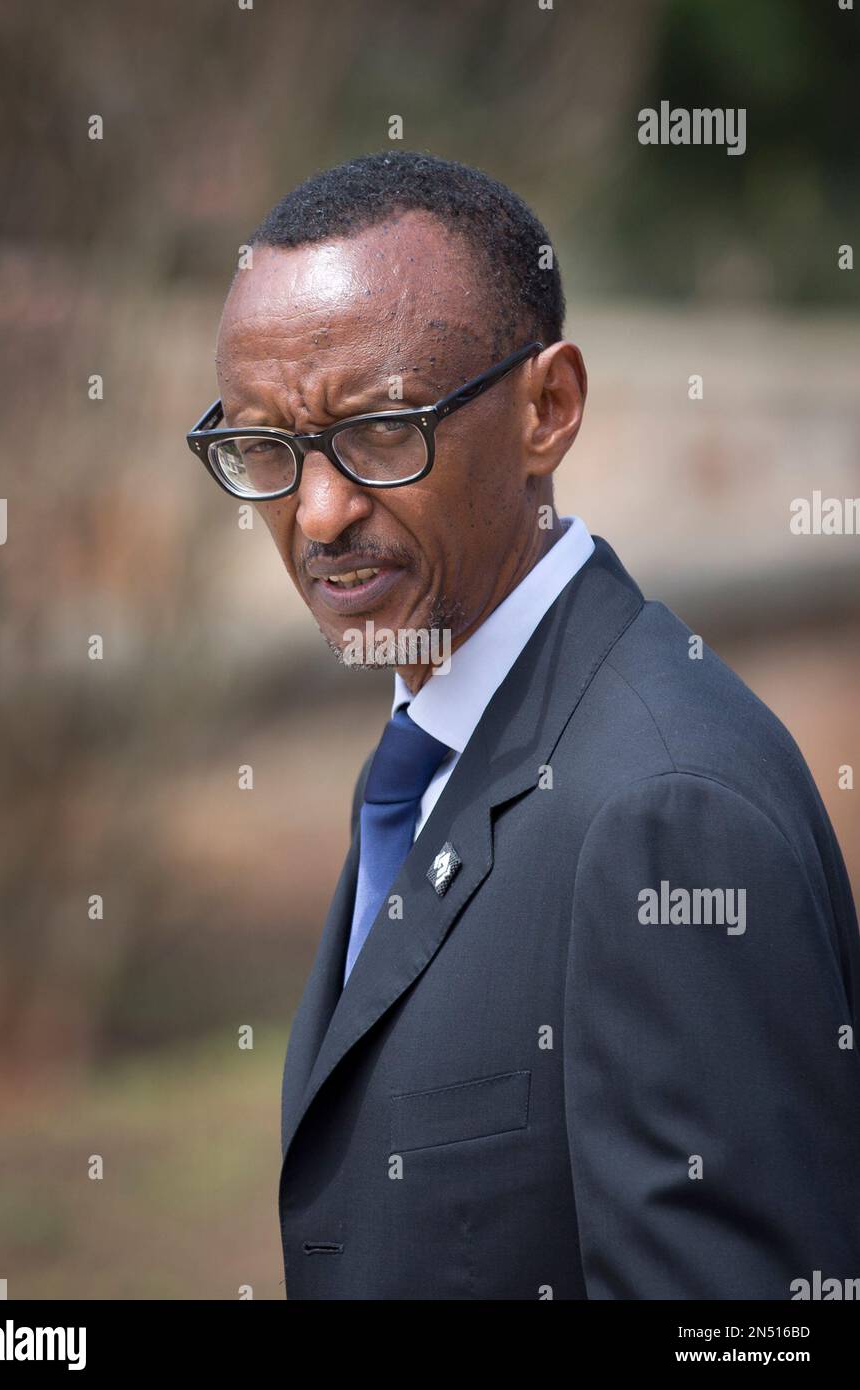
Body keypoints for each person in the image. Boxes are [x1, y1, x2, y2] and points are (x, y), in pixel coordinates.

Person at [186, 151, 860, 1300]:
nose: (318, 512)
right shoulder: (431, 754)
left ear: (547, 409)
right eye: (266, 447)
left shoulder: (664, 809)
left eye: (382, 430)